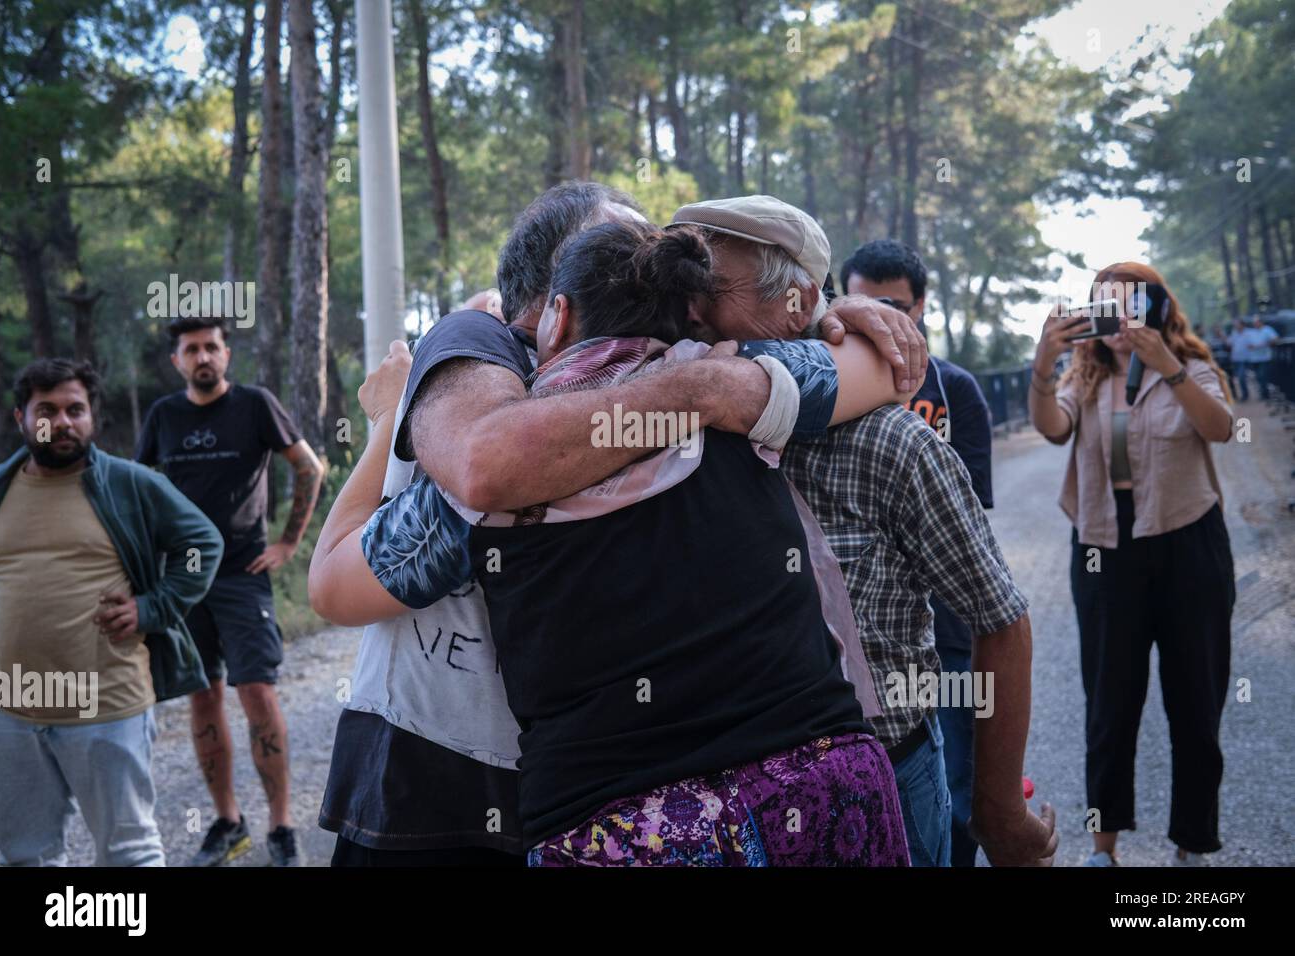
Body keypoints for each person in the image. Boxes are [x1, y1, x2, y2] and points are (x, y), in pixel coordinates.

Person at [309, 181, 924, 865]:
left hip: (599, 819)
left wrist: (386, 421)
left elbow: (334, 585)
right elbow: (889, 372)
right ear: (544, 312)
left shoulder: (514, 463)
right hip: (817, 782)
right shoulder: (728, 385)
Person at [669, 201, 1050, 867]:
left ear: (801, 301)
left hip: (893, 776)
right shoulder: (667, 429)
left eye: (710, 291)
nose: (689, 312)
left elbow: (1000, 619)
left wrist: (997, 811)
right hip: (723, 799)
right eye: (682, 291)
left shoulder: (889, 444)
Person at [1029, 262, 1235, 867]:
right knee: (1109, 704)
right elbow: (1051, 428)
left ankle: (1192, 844)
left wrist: (1166, 365)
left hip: (1188, 541)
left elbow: (1221, 428)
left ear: (1157, 309)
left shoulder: (1191, 368)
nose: (1119, 321)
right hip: (1102, 546)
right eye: (1106, 308)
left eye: (1131, 306)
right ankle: (1103, 847)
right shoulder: (1084, 377)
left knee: (1196, 701)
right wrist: (1044, 363)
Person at [0, 359, 222, 866]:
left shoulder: (128, 483)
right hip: (9, 713)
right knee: (23, 855)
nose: (64, 421)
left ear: (92, 417)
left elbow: (202, 541)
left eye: (76, 409)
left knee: (128, 853)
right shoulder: (0, 489)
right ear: (21, 418)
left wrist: (155, 606)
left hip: (107, 704)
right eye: (47, 410)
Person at [135, 317, 325, 866]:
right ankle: (227, 821)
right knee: (203, 695)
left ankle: (282, 827)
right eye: (191, 349)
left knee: (257, 693)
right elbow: (139, 487)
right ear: (177, 361)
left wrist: (289, 543)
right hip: (183, 581)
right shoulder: (163, 416)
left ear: (226, 354)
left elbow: (308, 468)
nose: (202, 357)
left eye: (211, 347)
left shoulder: (255, 405)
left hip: (243, 575)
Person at [838, 238, 995, 866]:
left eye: (896, 305)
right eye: (864, 302)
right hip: (863, 634)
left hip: (949, 629)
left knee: (958, 782)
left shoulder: (956, 389)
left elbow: (970, 521)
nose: (881, 319)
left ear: (923, 306)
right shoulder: (826, 387)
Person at [1230, 315, 1279, 401]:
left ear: (1260, 322)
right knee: (1258, 377)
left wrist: (1260, 346)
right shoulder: (1252, 332)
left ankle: (1265, 394)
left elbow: (1275, 339)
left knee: (1262, 375)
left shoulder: (1267, 329)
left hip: (1265, 358)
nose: (1255, 324)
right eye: (1254, 323)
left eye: (1256, 322)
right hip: (1254, 359)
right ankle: (1263, 393)